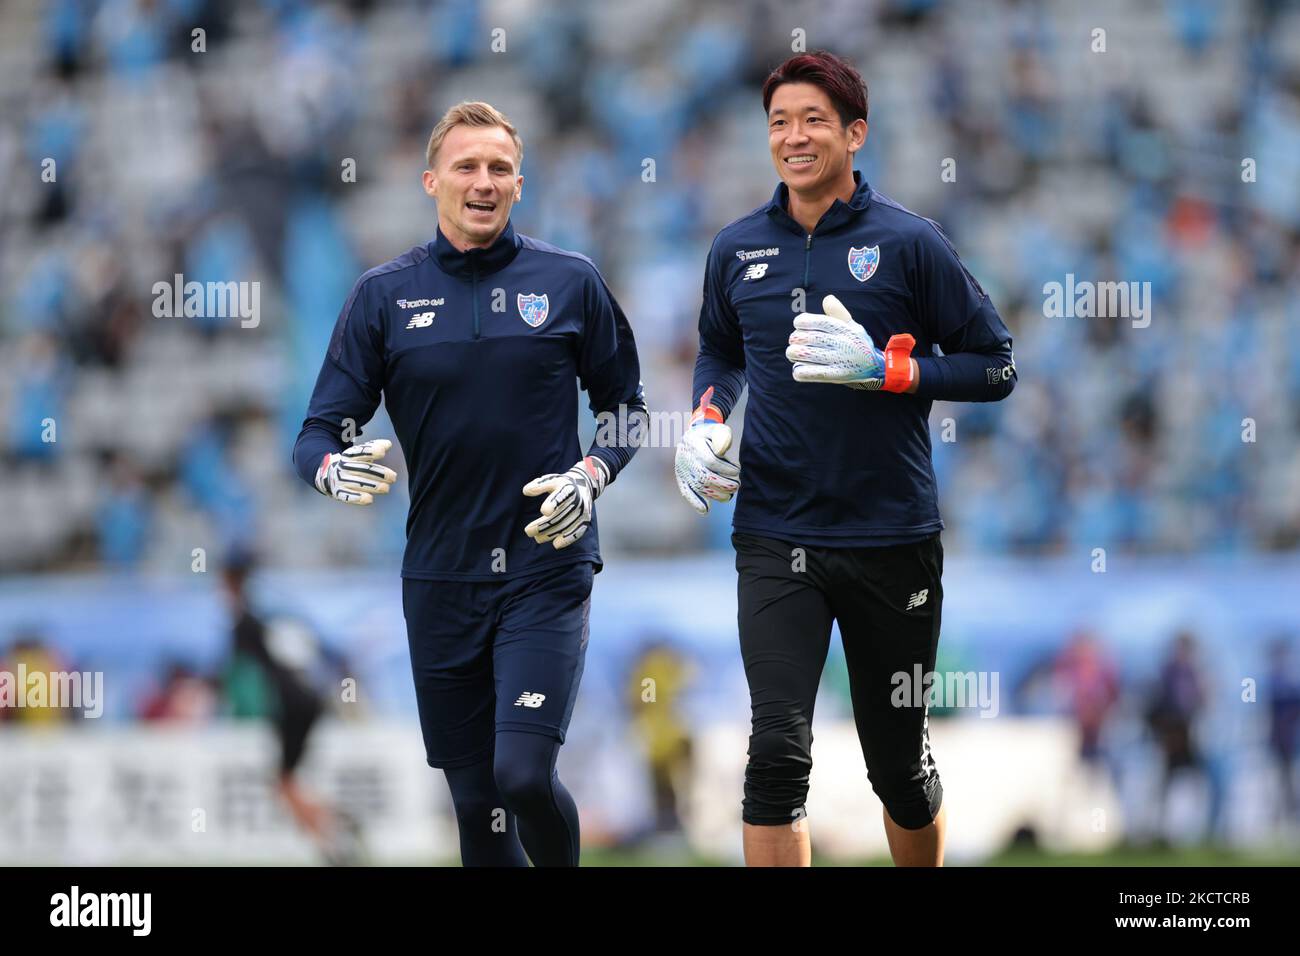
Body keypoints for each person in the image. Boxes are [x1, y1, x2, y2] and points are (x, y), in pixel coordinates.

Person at [674, 51, 1017, 866]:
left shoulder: (909, 243)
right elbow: (720, 351)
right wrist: (704, 420)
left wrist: (892, 371)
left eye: (814, 120)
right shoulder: (736, 247)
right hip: (774, 533)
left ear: (856, 133)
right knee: (775, 758)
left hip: (890, 536)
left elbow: (997, 364)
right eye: (780, 123)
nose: (793, 137)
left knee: (896, 766)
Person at [292, 101, 645, 866]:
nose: (482, 181)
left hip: (545, 566)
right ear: (432, 181)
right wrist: (328, 467)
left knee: (522, 774)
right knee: (477, 805)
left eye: (498, 169)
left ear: (519, 184)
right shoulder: (383, 297)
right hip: (440, 577)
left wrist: (593, 472)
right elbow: (318, 430)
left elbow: (627, 411)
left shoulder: (571, 281)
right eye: (466, 166)